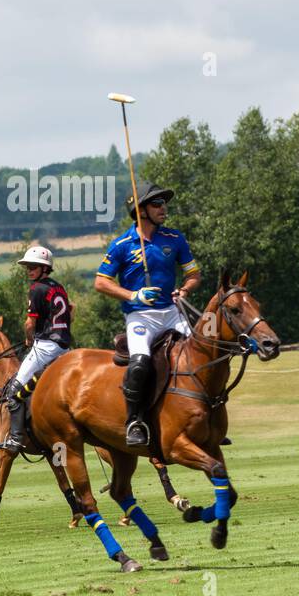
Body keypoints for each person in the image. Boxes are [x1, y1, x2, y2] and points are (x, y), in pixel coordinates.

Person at [95, 184, 202, 447]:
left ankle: (207, 414)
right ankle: (135, 421)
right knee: (140, 361)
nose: (163, 208)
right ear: (140, 211)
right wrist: (134, 296)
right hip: (140, 317)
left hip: (171, 312)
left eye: (164, 203)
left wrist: (184, 290)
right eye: (156, 204)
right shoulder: (121, 244)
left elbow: (194, 274)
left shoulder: (175, 239)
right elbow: (101, 282)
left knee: (202, 354)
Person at [0, 245, 73, 453]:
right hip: (64, 348)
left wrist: (29, 339)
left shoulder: (37, 289)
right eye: (27, 266)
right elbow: (71, 312)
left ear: (44, 269)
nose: (29, 270)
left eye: (33, 266)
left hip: (45, 346)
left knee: (13, 390)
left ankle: (16, 438)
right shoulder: (59, 287)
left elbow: (30, 324)